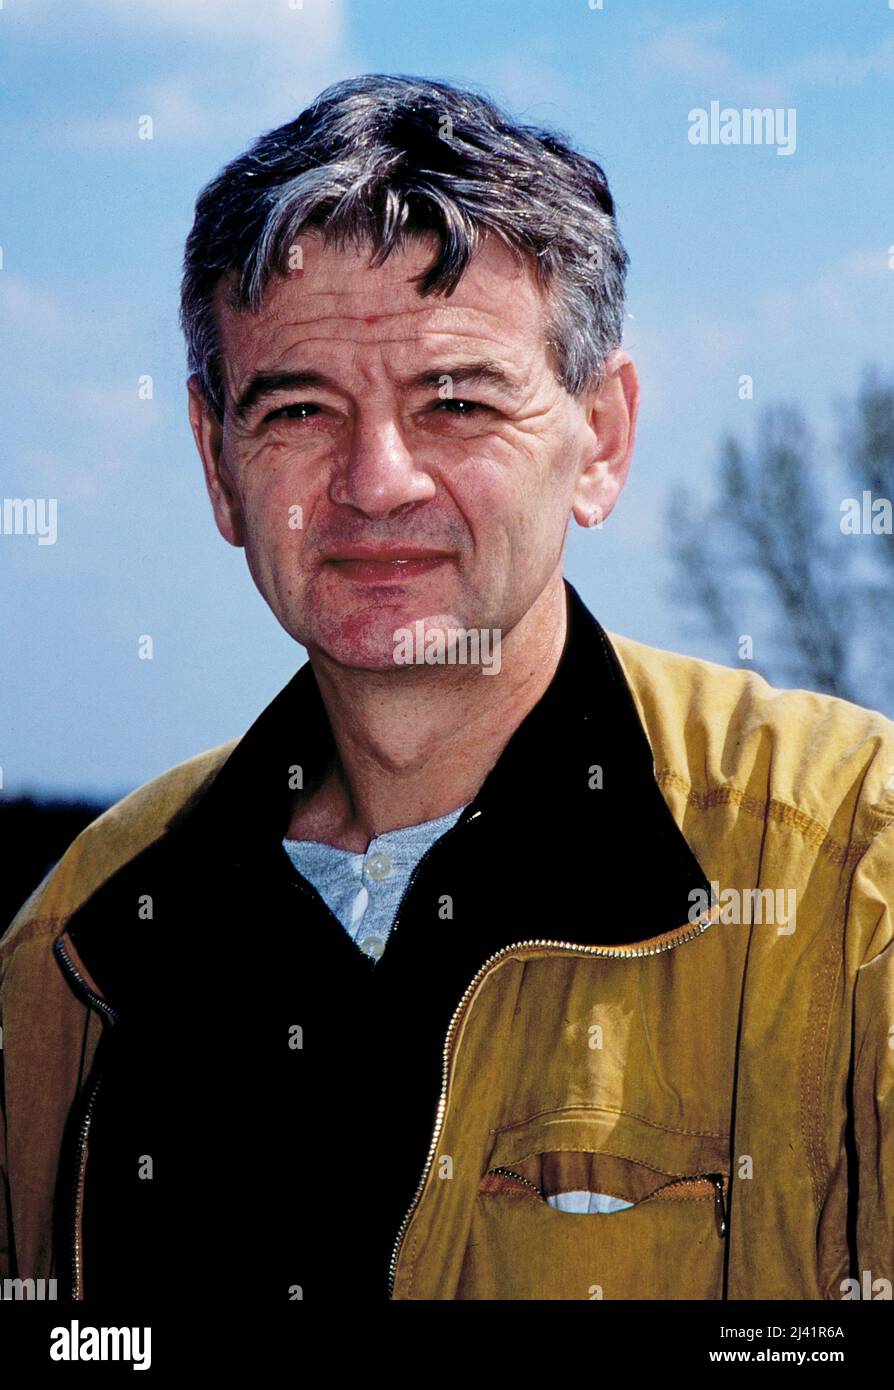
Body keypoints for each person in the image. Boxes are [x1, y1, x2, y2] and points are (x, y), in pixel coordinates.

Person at [1, 73, 891, 1306]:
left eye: (456, 402)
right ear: (218, 463)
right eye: (299, 407)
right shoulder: (79, 941)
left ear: (603, 438)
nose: (377, 481)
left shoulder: (850, 873)